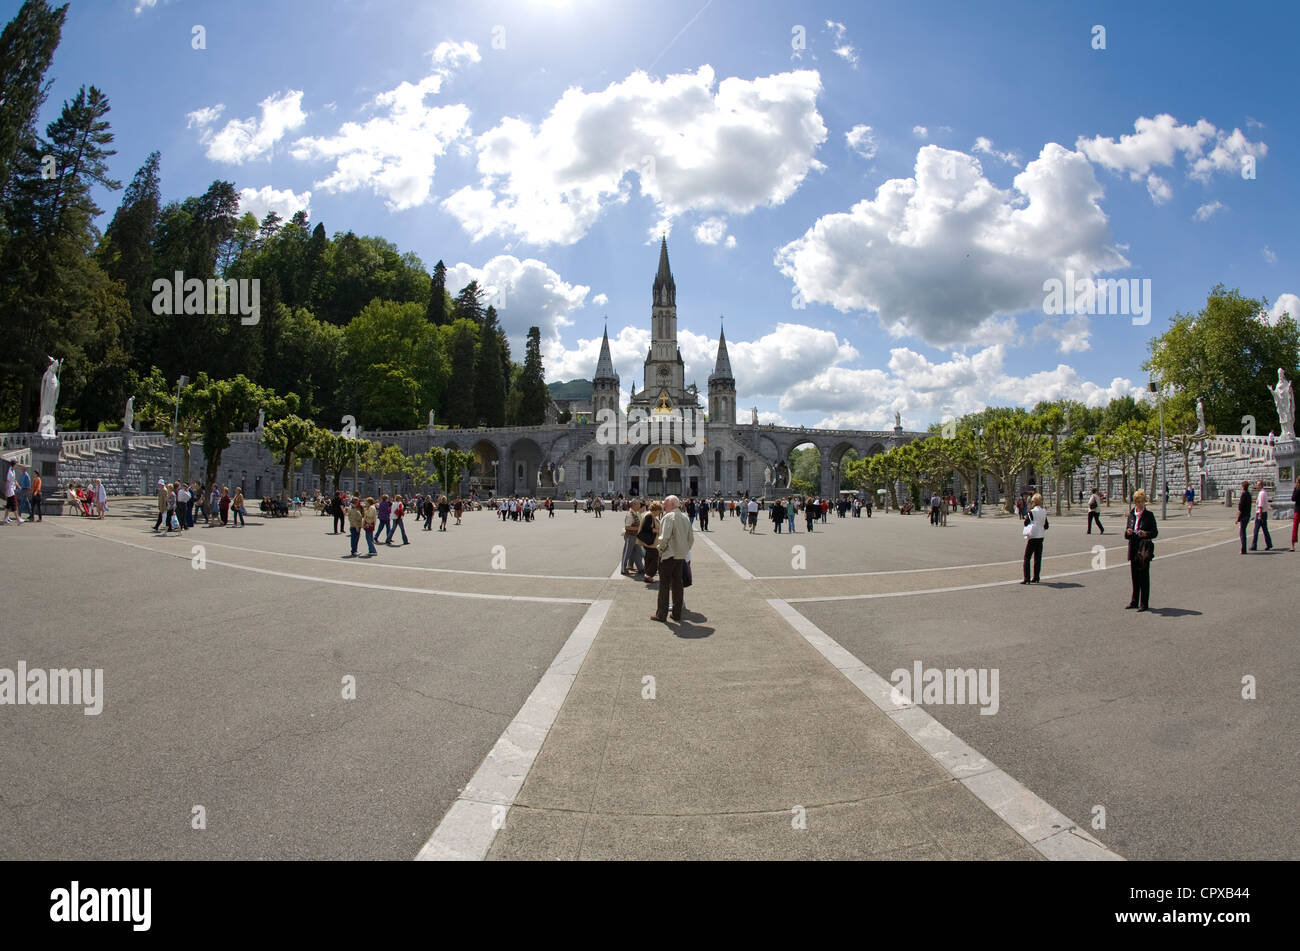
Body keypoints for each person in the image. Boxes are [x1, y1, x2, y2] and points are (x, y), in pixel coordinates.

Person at [650, 495, 694, 623]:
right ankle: (676, 614)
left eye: (666, 503)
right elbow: (691, 539)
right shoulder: (685, 517)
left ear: (672, 504)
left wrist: (660, 551)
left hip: (669, 556)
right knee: (677, 585)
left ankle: (661, 615)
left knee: (664, 585)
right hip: (680, 556)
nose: (663, 506)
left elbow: (664, 538)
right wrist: (684, 550)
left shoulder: (668, 517)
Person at [1124, 488, 1158, 612]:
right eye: (1137, 501)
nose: (1140, 504)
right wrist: (1128, 532)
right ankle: (1134, 601)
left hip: (1143, 549)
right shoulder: (1131, 515)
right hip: (1133, 548)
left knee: (1143, 577)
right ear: (1134, 502)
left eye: (1142, 501)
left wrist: (1145, 533)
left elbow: (1154, 533)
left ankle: (1144, 603)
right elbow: (1126, 534)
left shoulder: (1149, 515)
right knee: (1134, 577)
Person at [1020, 492, 1048, 584]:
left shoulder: (1032, 512)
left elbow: (1026, 523)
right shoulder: (1044, 511)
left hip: (1033, 536)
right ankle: (1036, 577)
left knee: (1027, 557)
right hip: (1041, 536)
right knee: (1038, 557)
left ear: (1034, 502)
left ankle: (1027, 578)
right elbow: (1046, 525)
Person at [639, 500, 662, 583]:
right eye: (659, 511)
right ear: (656, 509)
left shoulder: (649, 515)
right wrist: (656, 530)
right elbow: (646, 528)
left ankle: (647, 575)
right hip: (650, 541)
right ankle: (648, 574)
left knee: (648, 557)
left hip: (648, 541)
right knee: (656, 558)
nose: (660, 513)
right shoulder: (649, 516)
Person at [621, 498, 644, 575]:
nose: (640, 505)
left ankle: (641, 568)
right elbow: (627, 527)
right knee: (627, 553)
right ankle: (623, 569)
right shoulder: (630, 514)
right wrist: (638, 528)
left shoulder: (635, 512)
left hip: (635, 536)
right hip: (630, 536)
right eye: (638, 504)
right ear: (634, 505)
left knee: (638, 552)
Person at [1250, 479, 1273, 551]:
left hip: (1260, 513)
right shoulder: (1263, 492)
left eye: (1258, 485)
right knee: (1265, 530)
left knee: (1256, 530)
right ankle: (1269, 544)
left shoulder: (1261, 494)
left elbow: (1261, 505)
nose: (1257, 486)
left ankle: (1254, 545)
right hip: (1264, 513)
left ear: (1261, 485)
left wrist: (1259, 515)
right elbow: (1259, 502)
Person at [1235, 480, 1251, 554]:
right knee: (1243, 531)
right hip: (1248, 515)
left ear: (1243, 487)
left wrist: (1237, 518)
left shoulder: (1243, 495)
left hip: (1243, 516)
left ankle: (1243, 549)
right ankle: (1243, 548)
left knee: (1242, 532)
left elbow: (1240, 508)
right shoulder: (1249, 494)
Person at [1291, 476, 1300, 552]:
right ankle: (1292, 545)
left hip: (1297, 510)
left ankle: (1293, 545)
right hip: (1297, 510)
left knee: (1295, 528)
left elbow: (1293, 498)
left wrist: (1294, 489)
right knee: (1295, 528)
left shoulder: (1297, 490)